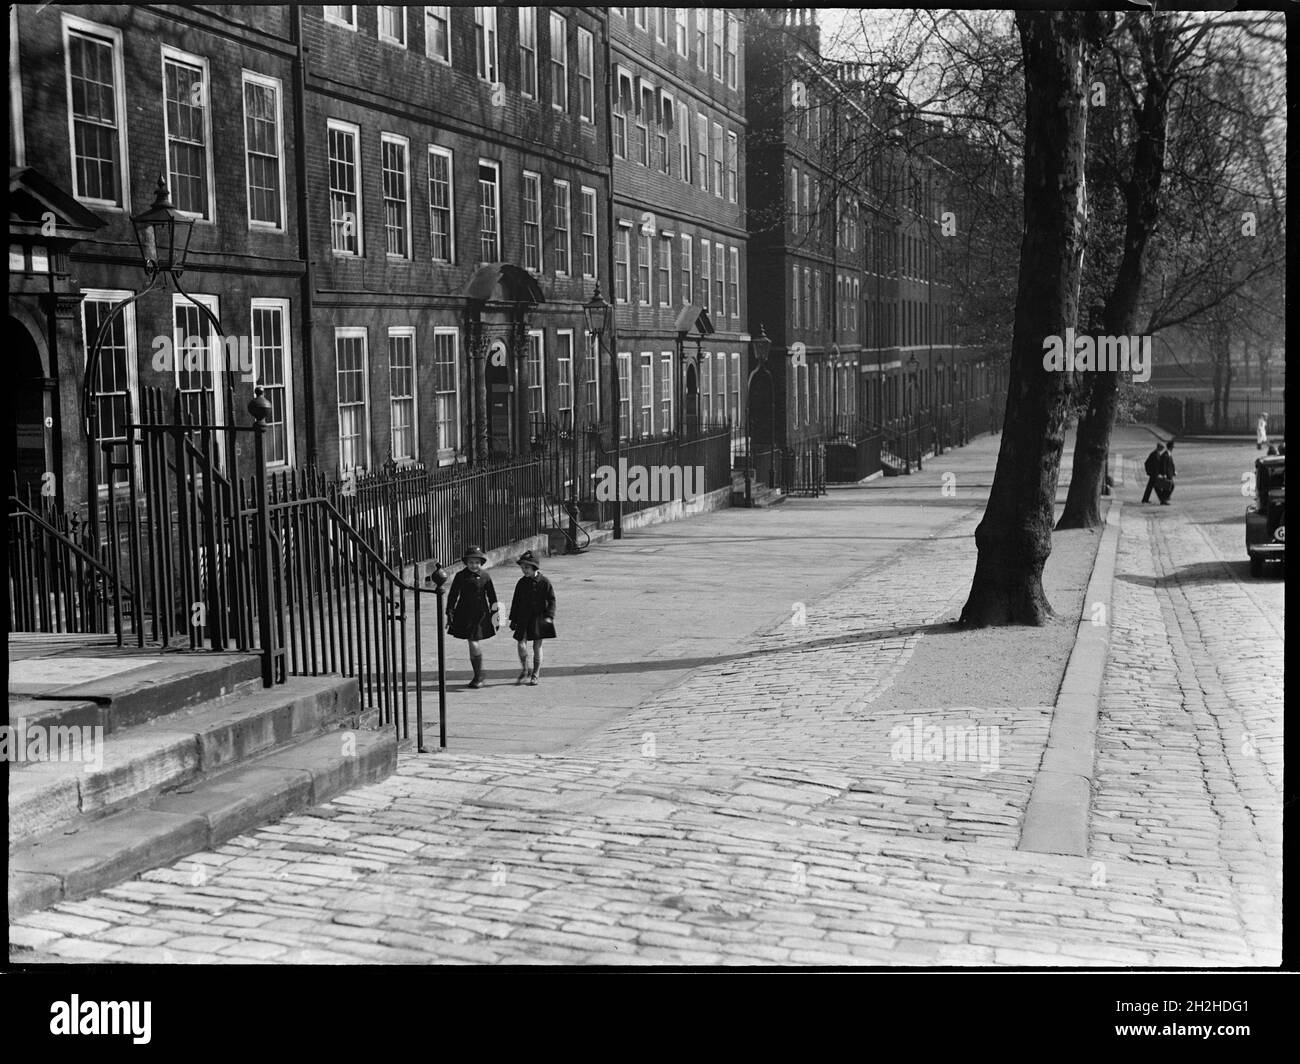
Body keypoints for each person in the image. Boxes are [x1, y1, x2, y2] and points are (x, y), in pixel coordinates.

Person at [445, 545, 499, 688]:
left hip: (480, 614)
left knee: (473, 642)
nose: (474, 565)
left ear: (480, 563)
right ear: (466, 563)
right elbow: (453, 596)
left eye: (476, 562)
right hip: (464, 613)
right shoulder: (460, 576)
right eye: (471, 562)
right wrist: (449, 613)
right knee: (471, 643)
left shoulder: (485, 576)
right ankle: (478, 674)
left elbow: (492, 597)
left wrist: (496, 616)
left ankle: (479, 675)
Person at [508, 550, 556, 686]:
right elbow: (515, 601)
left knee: (537, 646)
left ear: (535, 567)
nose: (524, 570)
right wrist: (513, 619)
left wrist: (549, 616)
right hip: (523, 618)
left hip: (538, 618)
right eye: (522, 568)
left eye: (527, 568)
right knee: (520, 643)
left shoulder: (544, 582)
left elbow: (552, 600)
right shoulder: (521, 583)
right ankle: (524, 668)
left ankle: (535, 673)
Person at [1157, 441, 1177, 505]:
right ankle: (1163, 499)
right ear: (1170, 447)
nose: (1173, 449)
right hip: (1167, 474)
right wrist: (1164, 474)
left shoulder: (1168, 454)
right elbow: (1164, 465)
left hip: (1170, 473)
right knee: (1170, 486)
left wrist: (1174, 471)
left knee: (1168, 487)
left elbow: (1171, 464)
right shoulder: (1165, 455)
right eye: (1172, 447)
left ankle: (1164, 499)